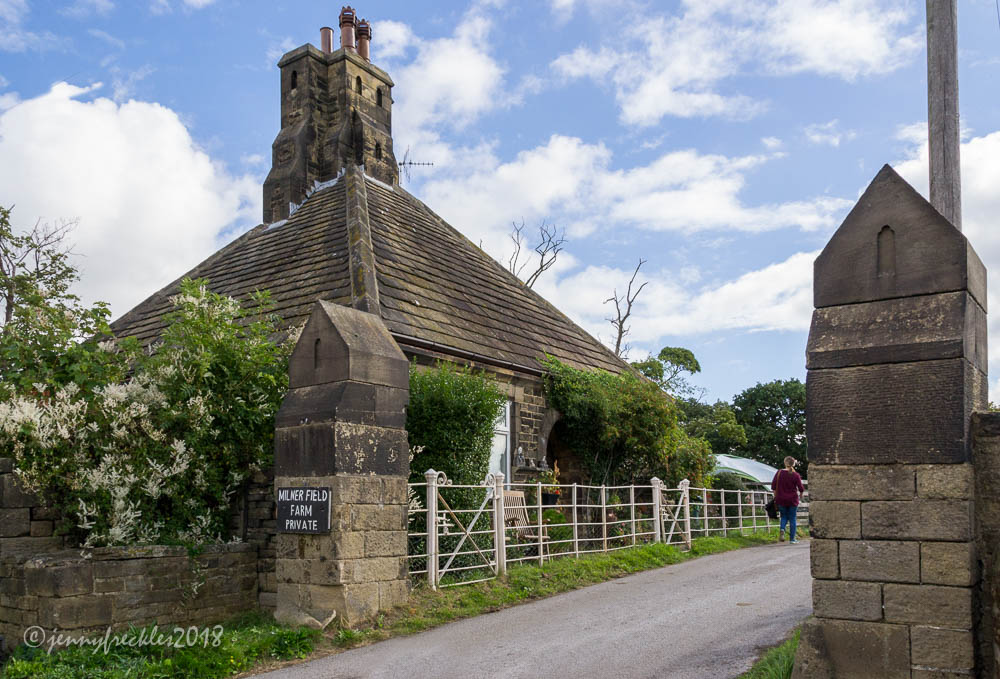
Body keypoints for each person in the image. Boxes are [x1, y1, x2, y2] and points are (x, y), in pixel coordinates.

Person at [770, 456, 805, 543]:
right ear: (793, 464)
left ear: (785, 463)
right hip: (792, 500)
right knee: (792, 518)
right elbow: (801, 488)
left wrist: (776, 495)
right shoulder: (795, 475)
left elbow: (773, 486)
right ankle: (792, 539)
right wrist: (801, 494)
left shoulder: (779, 473)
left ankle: (782, 529)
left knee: (784, 517)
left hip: (781, 499)